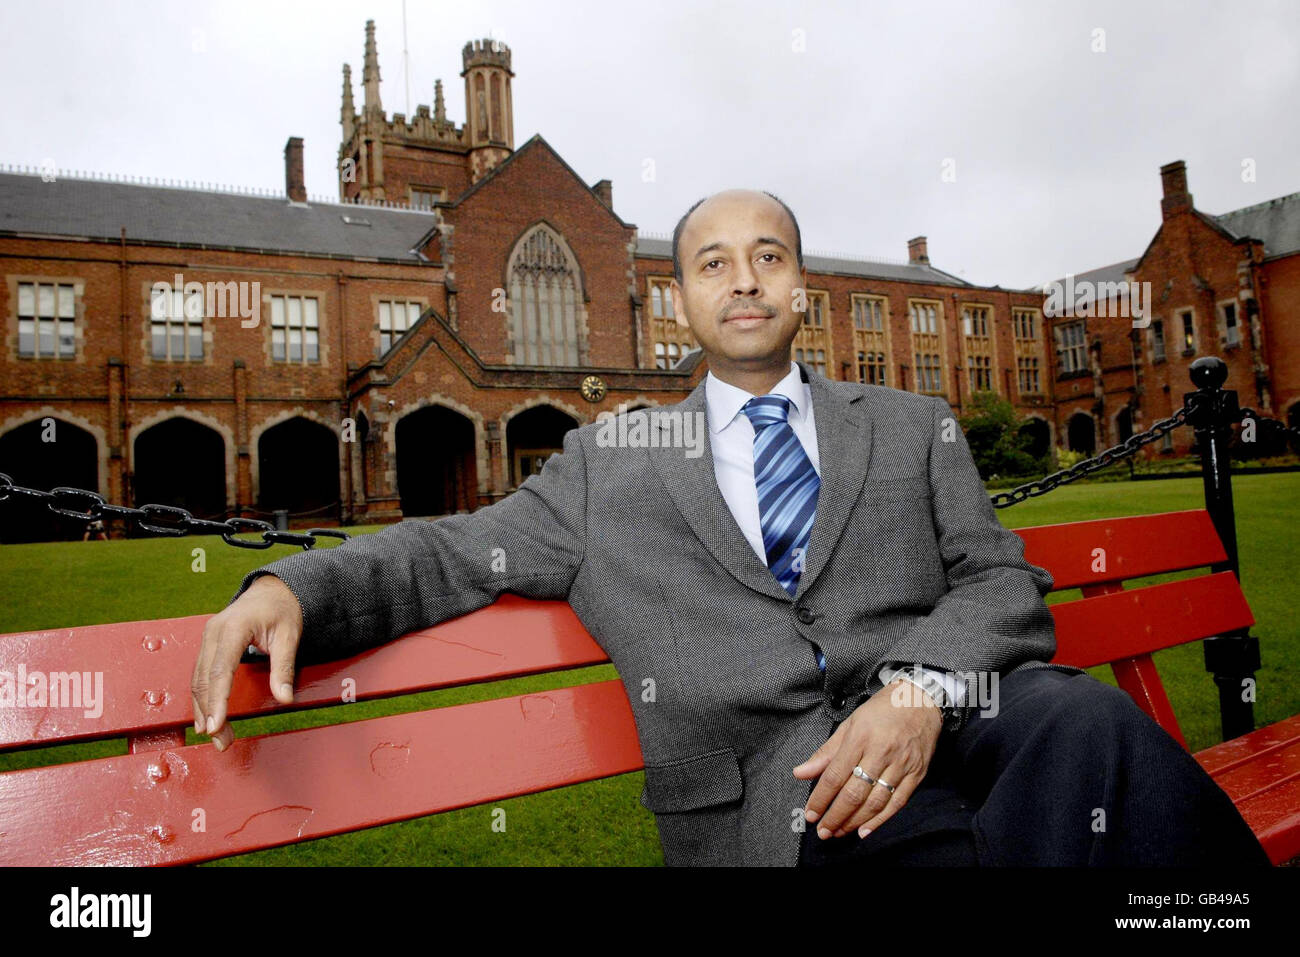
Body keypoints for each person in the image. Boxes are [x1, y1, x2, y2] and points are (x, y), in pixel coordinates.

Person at [191, 189, 1270, 867]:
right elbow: (449, 553)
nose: (743, 277)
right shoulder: (612, 462)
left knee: (1091, 731)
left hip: (956, 712)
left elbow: (995, 581)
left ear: (800, 287)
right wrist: (293, 590)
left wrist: (917, 690)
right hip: (790, 797)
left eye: (767, 256)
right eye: (713, 262)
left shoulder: (907, 425)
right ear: (682, 301)